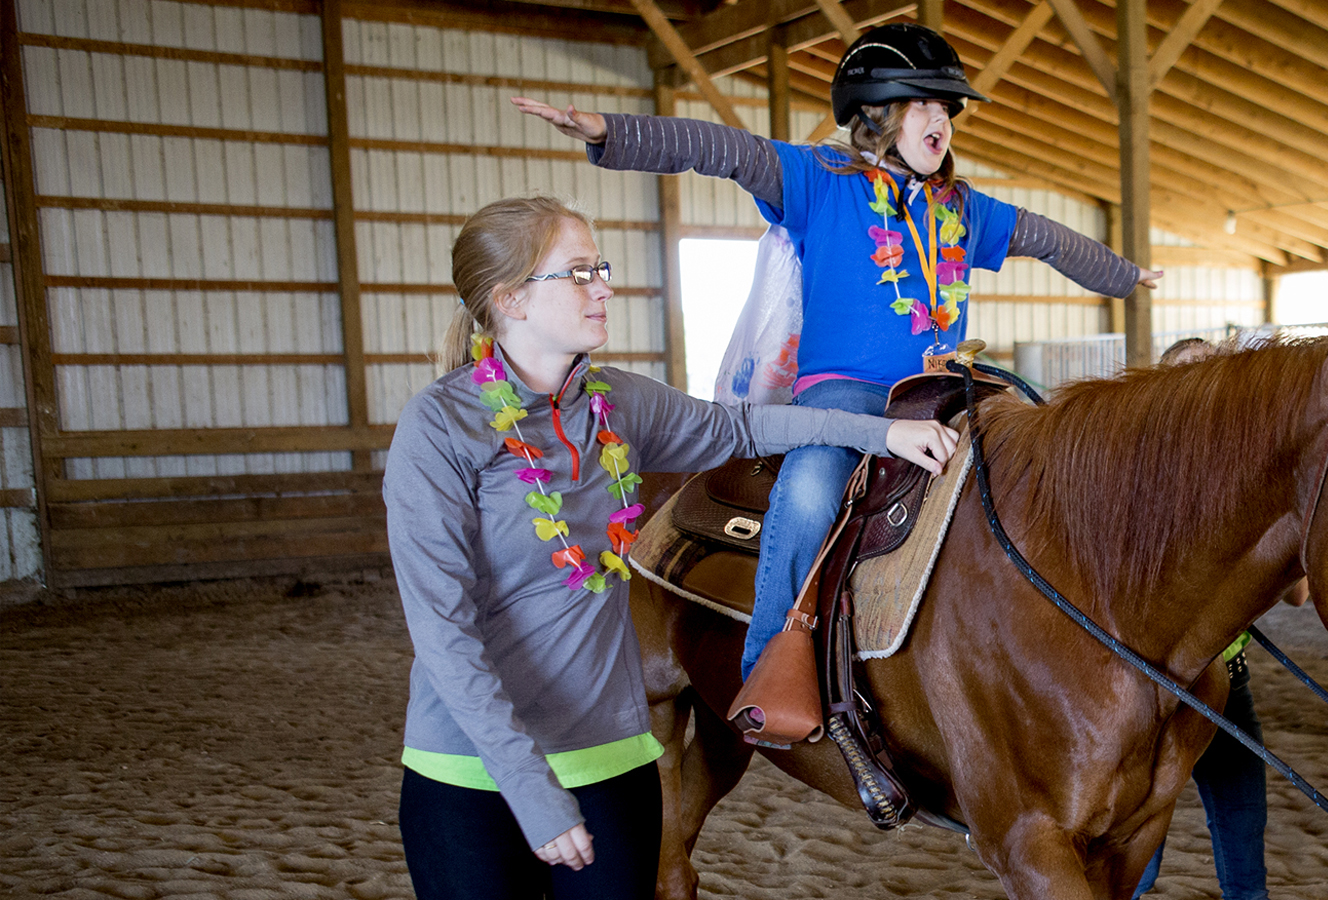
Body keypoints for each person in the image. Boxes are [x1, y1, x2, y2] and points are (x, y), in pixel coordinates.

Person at [510, 21, 1161, 682]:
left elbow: (1044, 237)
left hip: (944, 388)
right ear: (875, 115)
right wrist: (607, 132)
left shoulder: (961, 207)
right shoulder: (819, 181)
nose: (944, 119)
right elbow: (722, 149)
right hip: (843, 392)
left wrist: (1124, 276)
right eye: (925, 105)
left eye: (948, 110)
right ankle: (770, 662)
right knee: (810, 490)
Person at [384, 196, 958, 900]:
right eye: (578, 273)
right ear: (511, 299)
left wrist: (880, 434)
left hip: (613, 763)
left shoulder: (617, 403)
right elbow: (443, 631)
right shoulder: (440, 427)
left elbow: (743, 427)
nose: (605, 286)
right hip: (472, 777)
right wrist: (531, 791)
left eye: (601, 266)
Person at [1131, 336, 1271, 900]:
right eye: (1190, 376)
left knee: (1244, 843)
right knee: (1134, 853)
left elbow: (1297, 596)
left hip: (1227, 683)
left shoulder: (1243, 478)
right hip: (1151, 690)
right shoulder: (1141, 476)